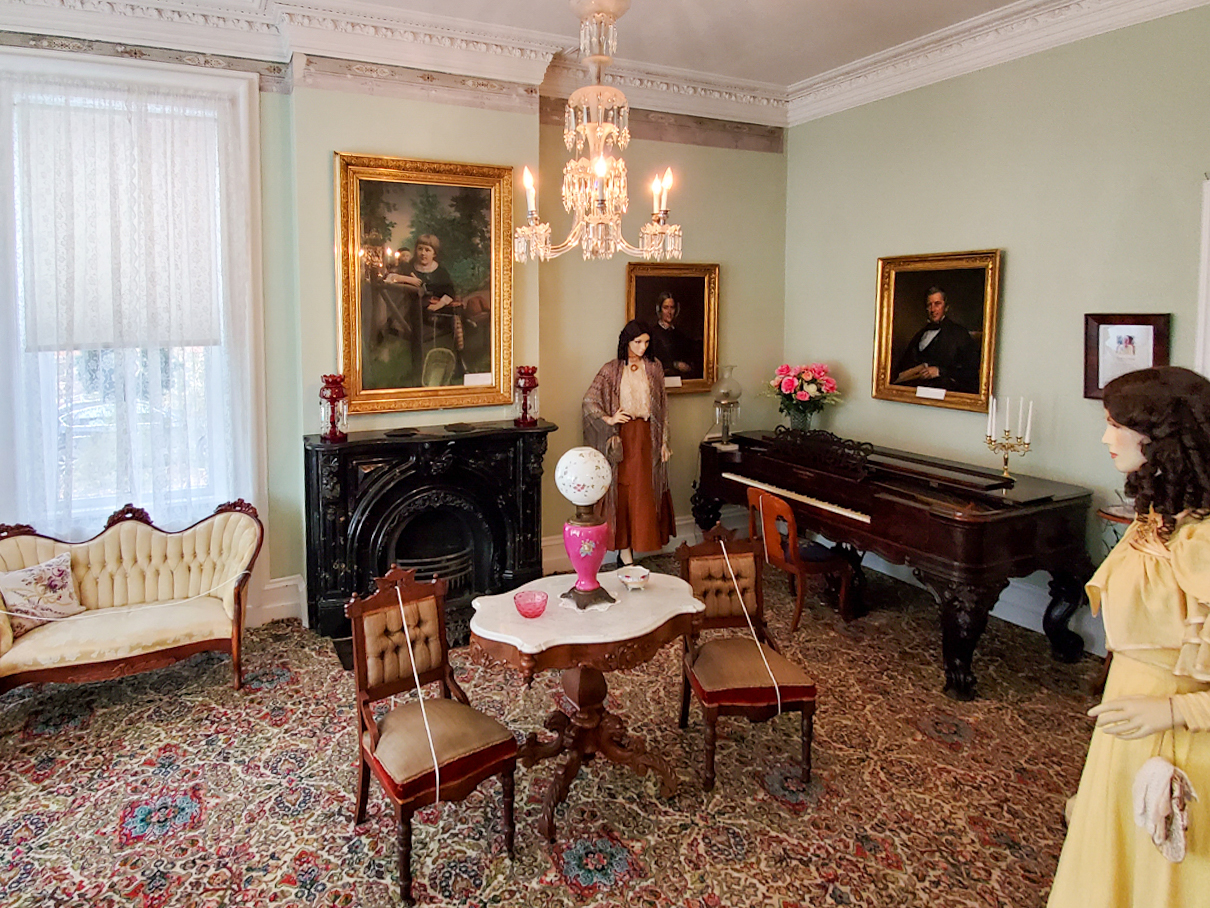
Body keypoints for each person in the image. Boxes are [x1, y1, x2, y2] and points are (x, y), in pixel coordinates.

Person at [1048, 366, 1210, 907]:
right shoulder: (1159, 516)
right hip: (1126, 713)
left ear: (1161, 438)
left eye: (1116, 425)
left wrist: (1172, 712)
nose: (1105, 437)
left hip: (1178, 733)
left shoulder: (1201, 543)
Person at [583, 320, 675, 566]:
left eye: (646, 342)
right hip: (622, 439)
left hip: (648, 437)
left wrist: (664, 442)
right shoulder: (611, 369)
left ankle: (641, 542)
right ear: (626, 342)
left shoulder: (654, 368)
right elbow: (589, 402)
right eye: (638, 342)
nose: (643, 347)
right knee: (622, 493)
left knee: (644, 493)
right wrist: (609, 419)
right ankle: (623, 550)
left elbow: (663, 408)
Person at [891, 286, 979, 393]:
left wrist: (939, 371)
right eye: (929, 305)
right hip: (916, 391)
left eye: (937, 304)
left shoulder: (959, 333)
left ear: (946, 307)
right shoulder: (921, 334)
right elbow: (905, 363)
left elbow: (970, 370)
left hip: (944, 392)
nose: (933, 309)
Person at [648, 291, 697, 379]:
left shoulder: (680, 334)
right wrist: (674, 365)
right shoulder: (653, 333)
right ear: (659, 309)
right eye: (666, 308)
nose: (669, 312)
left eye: (672, 308)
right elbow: (651, 360)